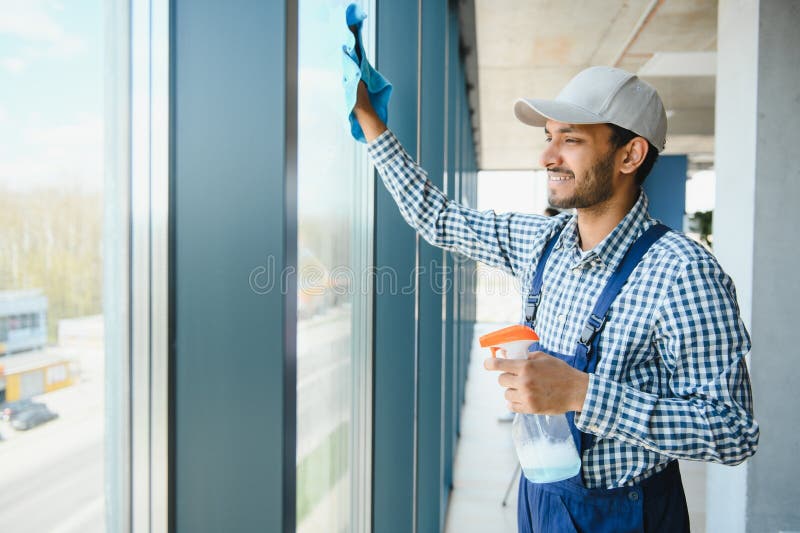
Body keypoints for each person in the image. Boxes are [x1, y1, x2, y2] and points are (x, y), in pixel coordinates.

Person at [351, 66, 758, 532]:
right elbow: (437, 217)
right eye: (548, 137)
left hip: (627, 516)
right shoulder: (540, 243)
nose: (547, 156)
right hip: (540, 498)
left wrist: (584, 393)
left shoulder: (683, 273)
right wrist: (369, 119)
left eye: (571, 140)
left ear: (630, 155)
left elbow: (733, 431)